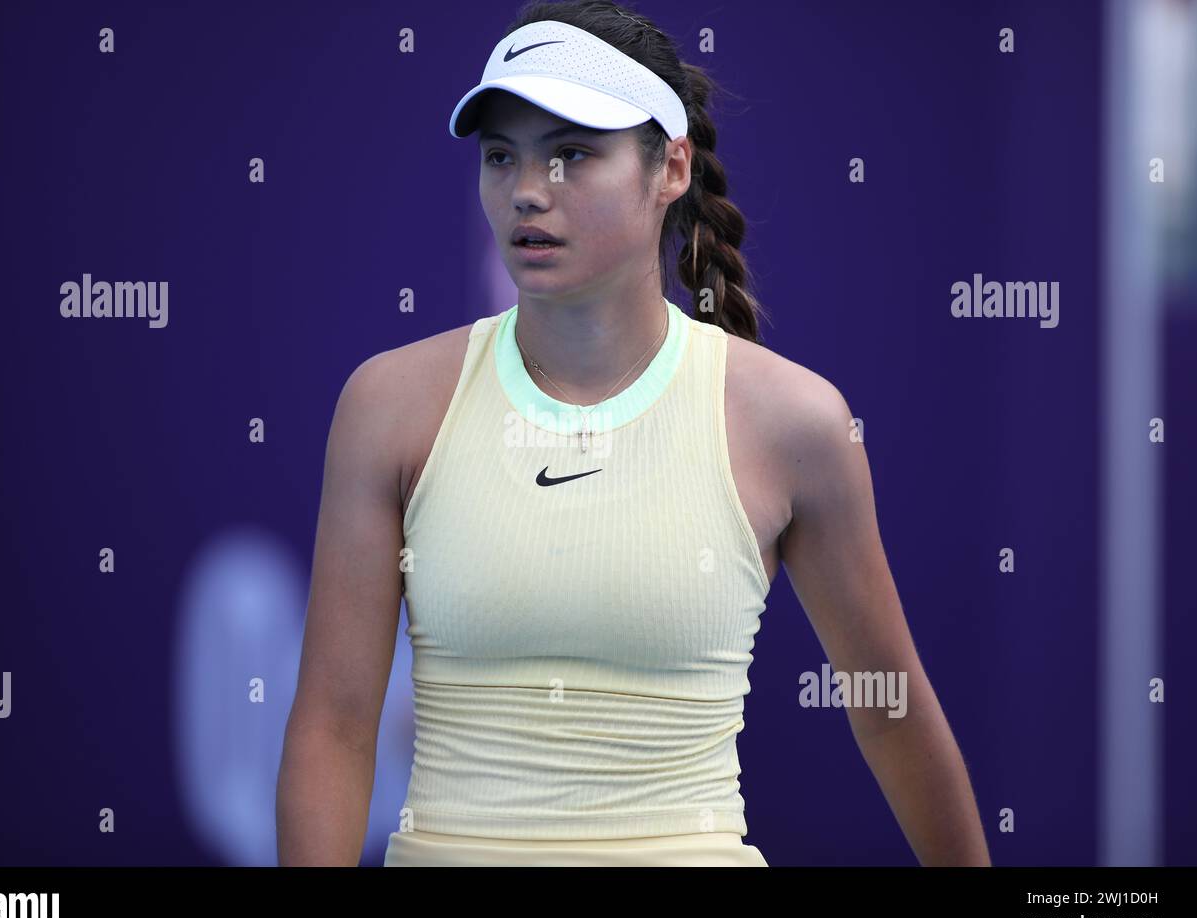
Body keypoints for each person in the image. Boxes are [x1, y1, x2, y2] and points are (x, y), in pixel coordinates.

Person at [276, 0, 991, 867]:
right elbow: (335, 724)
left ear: (672, 167)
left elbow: (890, 710)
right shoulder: (386, 405)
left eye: (572, 153)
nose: (527, 188)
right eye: (501, 155)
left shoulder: (795, 423)